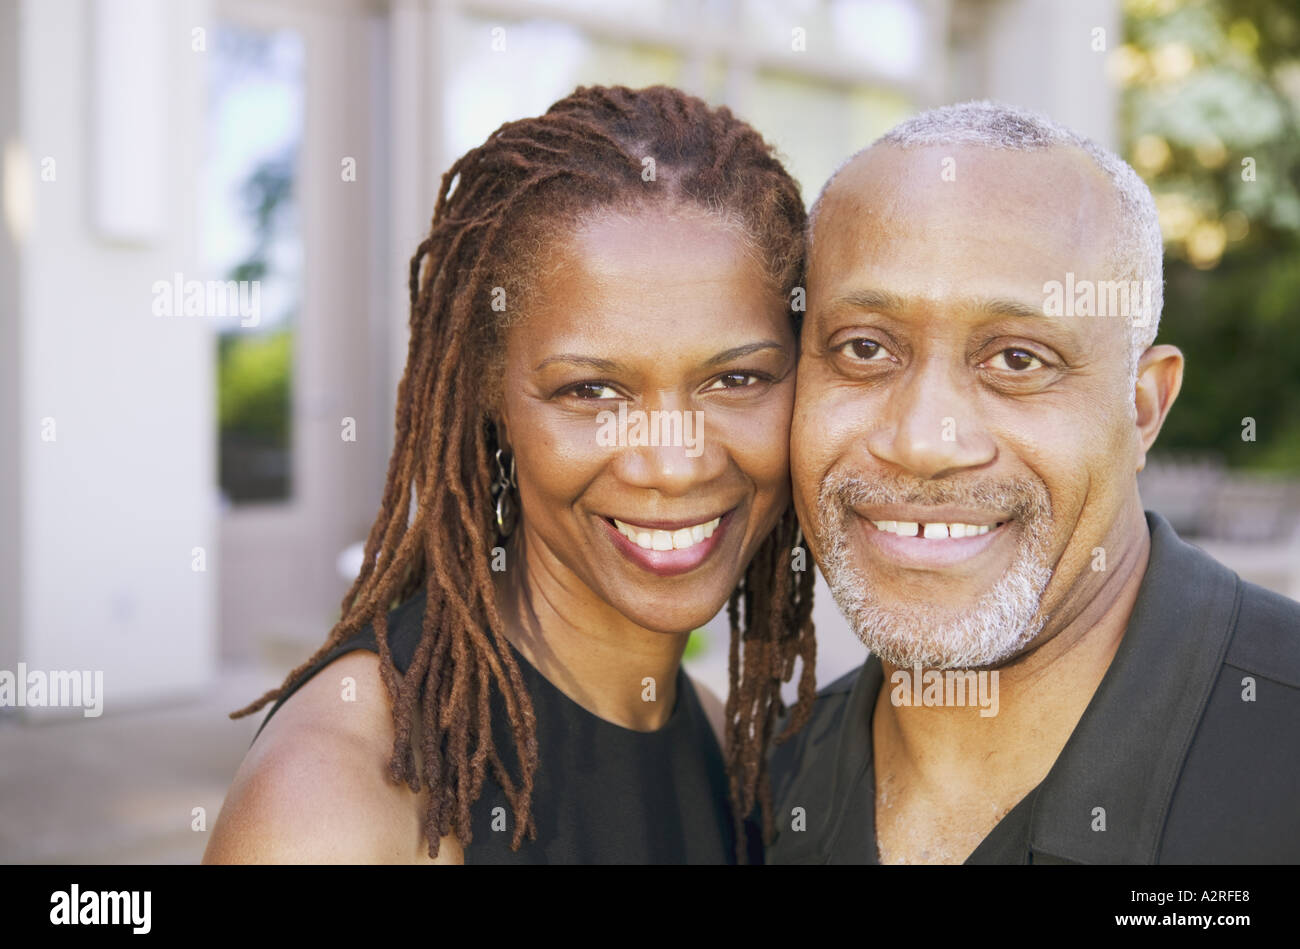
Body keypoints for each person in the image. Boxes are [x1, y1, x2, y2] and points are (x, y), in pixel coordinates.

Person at [202, 85, 816, 865]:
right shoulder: (334, 805)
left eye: (737, 380)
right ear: (491, 397)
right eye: (591, 390)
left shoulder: (726, 748)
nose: (674, 460)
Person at [768, 100, 1300, 865]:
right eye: (863, 348)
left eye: (1018, 359)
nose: (924, 442)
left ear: (1143, 407)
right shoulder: (751, 795)